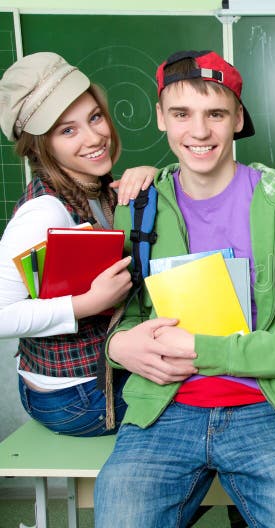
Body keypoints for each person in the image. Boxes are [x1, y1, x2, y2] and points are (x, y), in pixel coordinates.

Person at [93, 50, 275, 527]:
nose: (200, 131)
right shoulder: (137, 205)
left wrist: (201, 350)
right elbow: (121, 318)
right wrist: (118, 346)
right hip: (163, 411)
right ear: (161, 117)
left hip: (267, 410)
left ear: (238, 119)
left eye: (215, 114)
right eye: (182, 114)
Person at [0, 52, 155, 437]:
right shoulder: (45, 212)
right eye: (67, 131)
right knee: (203, 406)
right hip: (73, 396)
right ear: (39, 146)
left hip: (91, 379)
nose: (94, 137)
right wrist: (88, 303)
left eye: (95, 117)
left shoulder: (96, 188)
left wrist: (157, 176)